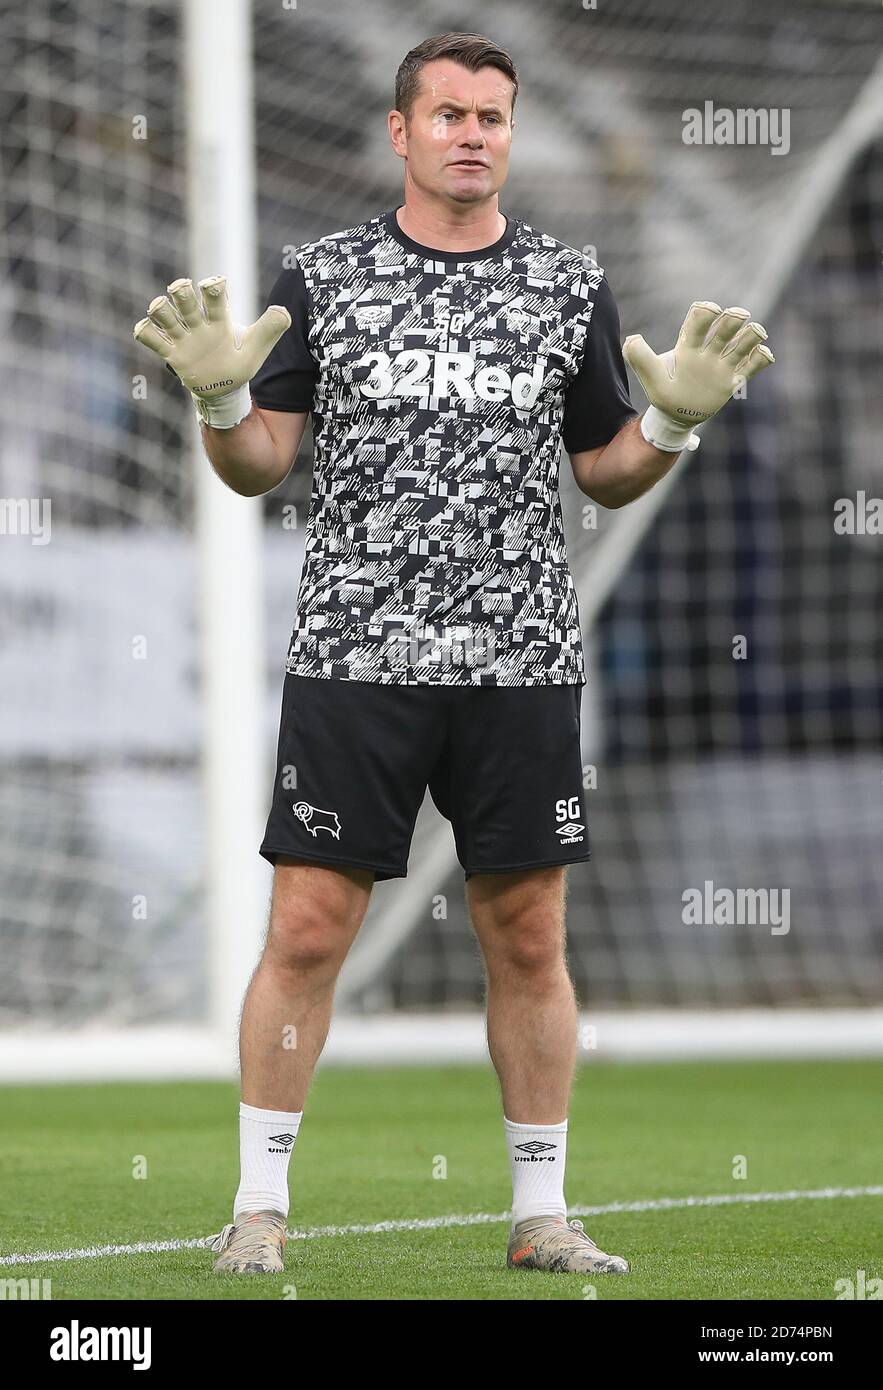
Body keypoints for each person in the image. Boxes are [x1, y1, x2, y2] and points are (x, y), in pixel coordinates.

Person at [133, 30, 773, 1279]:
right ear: (401, 131)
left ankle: (542, 1215)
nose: (474, 134)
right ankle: (256, 1210)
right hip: (355, 656)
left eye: (494, 115)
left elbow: (605, 470)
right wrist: (219, 406)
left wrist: (671, 423)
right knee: (308, 930)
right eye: (450, 115)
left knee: (529, 938)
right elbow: (261, 464)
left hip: (520, 662)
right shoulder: (323, 275)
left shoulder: (565, 280)